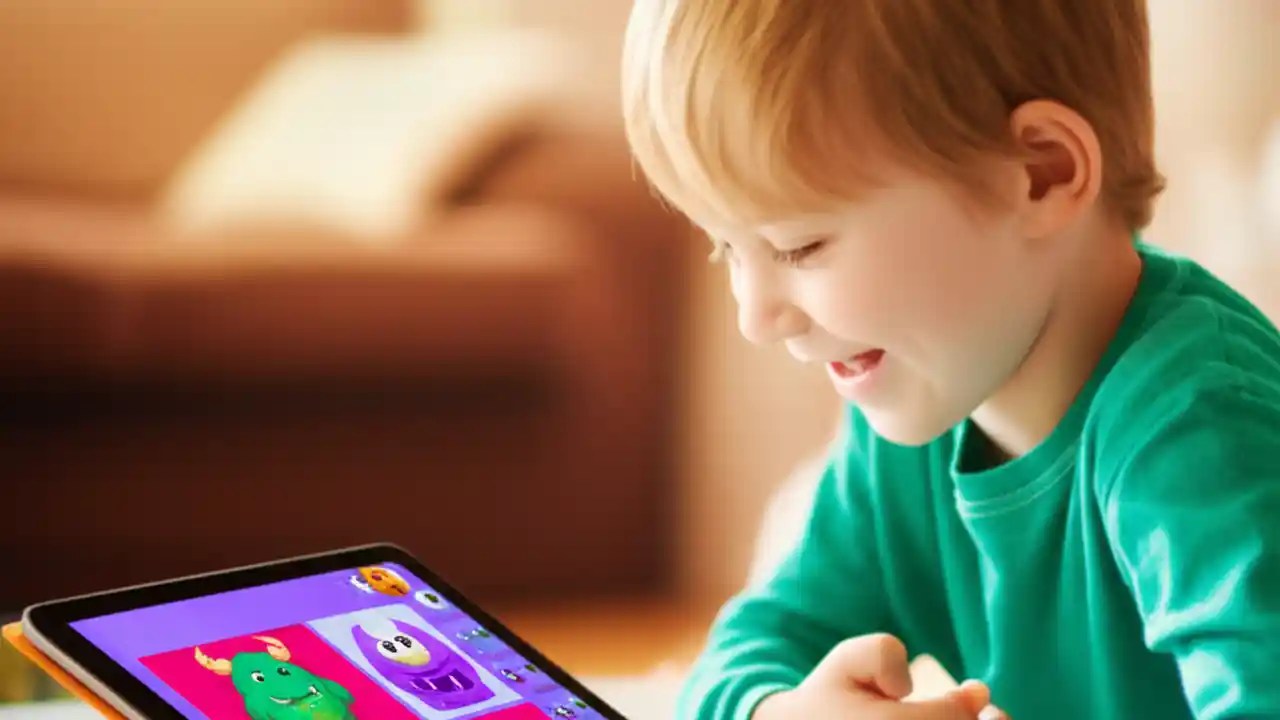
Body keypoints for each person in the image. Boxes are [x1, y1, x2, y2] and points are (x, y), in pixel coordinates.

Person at [620, 1, 1280, 718]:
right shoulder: (925, 409)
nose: (756, 319)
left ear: (1041, 173)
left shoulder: (1198, 425)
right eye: (725, 248)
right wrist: (779, 710)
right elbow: (750, 647)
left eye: (799, 246)